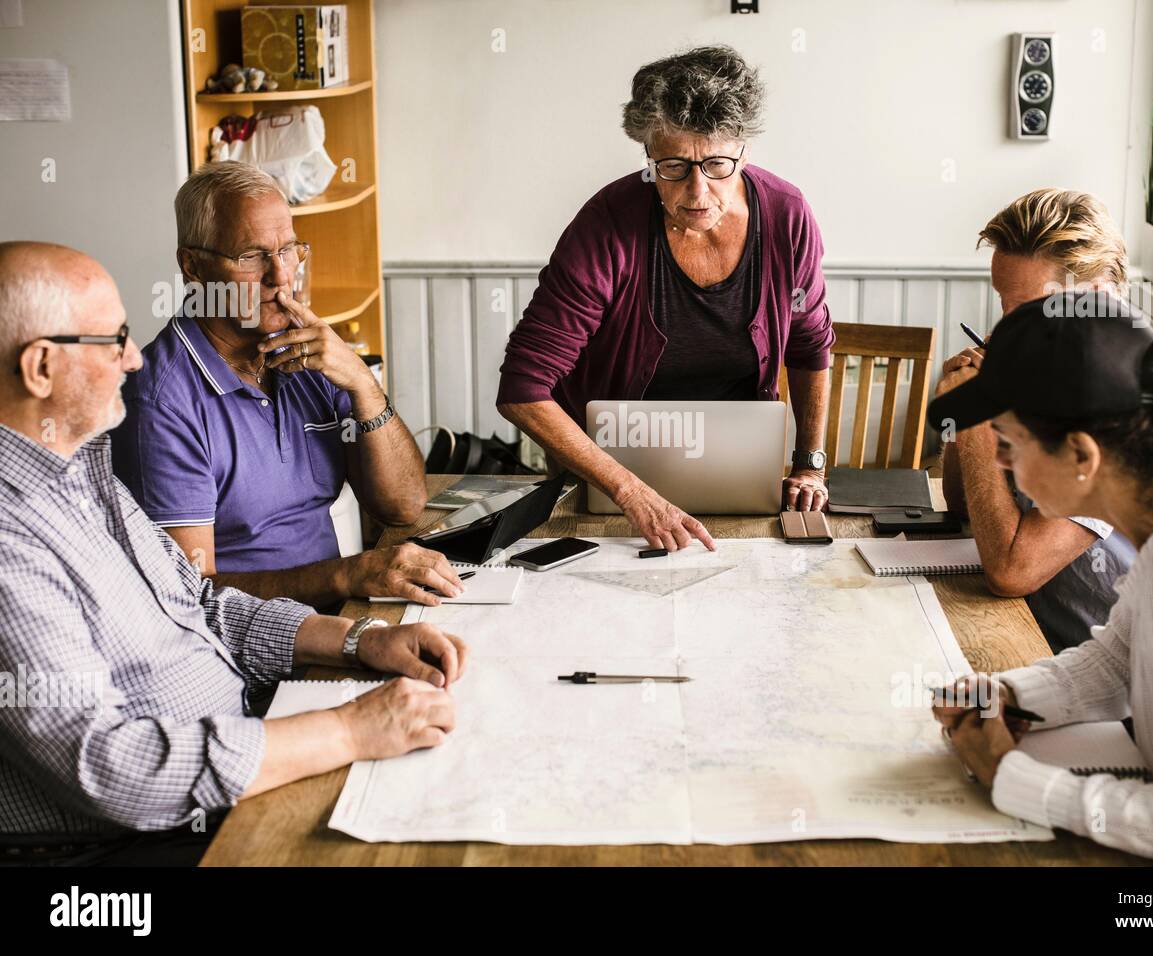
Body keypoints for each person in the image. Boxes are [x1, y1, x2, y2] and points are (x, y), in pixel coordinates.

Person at [0, 242, 463, 864]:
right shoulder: (11, 540)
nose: (134, 360)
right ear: (40, 368)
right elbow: (114, 769)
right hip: (127, 843)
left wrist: (361, 641)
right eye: (114, 341)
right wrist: (350, 729)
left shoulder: (82, 467)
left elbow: (198, 602)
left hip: (235, 746)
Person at [928, 290, 1153, 866]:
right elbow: (1118, 661)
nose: (1000, 461)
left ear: (1081, 455)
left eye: (1009, 441)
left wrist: (1008, 774)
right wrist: (1009, 695)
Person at [496, 46, 835, 552]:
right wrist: (631, 490)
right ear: (648, 154)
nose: (697, 192)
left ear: (744, 151)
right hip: (608, 476)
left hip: (734, 471)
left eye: (719, 164)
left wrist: (809, 465)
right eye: (673, 167)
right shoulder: (609, 222)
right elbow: (523, 388)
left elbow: (809, 348)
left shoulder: (786, 216)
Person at [112, 162, 462, 611]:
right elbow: (185, 597)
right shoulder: (159, 402)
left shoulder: (306, 353)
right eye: (252, 256)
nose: (281, 276)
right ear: (193, 266)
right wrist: (349, 574)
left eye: (290, 250)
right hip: (251, 657)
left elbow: (404, 505)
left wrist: (361, 382)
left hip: (339, 618)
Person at [937, 188, 1137, 651]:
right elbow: (964, 508)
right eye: (1004, 306)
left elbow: (1011, 572)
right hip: (1041, 642)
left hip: (1124, 686)